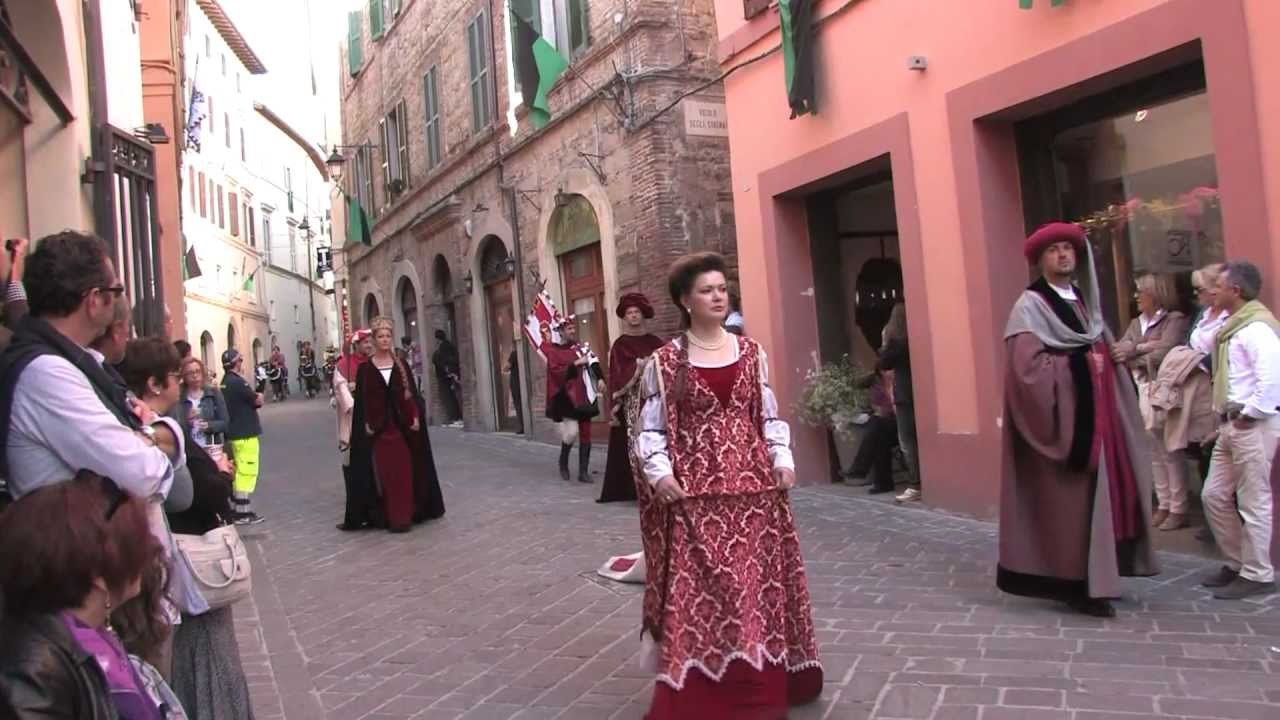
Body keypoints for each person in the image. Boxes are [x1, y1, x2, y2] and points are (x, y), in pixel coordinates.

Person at [634, 251, 822, 718]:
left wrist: (782, 459)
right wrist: (660, 474)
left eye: (722, 289)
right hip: (696, 498)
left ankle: (760, 687)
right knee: (706, 596)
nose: (718, 297)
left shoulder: (751, 353)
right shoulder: (665, 362)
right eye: (707, 290)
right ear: (685, 300)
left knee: (756, 593)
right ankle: (702, 691)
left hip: (755, 493)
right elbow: (649, 429)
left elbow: (769, 416)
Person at [998, 222, 1158, 618]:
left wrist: (1115, 353)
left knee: (1108, 495)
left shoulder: (1086, 302)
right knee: (1073, 503)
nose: (1064, 255)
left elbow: (1097, 347)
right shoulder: (1031, 306)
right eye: (1053, 250)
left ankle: (1103, 573)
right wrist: (1085, 365)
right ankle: (1077, 583)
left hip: (1101, 419)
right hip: (1068, 424)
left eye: (1068, 248)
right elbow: (1027, 372)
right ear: (1040, 260)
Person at [0, 230, 184, 503]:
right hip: (76, 543)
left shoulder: (82, 362)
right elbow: (146, 475)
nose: (120, 300)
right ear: (95, 300)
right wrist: (152, 434)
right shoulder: (48, 374)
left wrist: (142, 437)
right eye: (117, 291)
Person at [0, 471, 179, 719]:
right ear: (100, 576)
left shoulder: (81, 635)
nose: (151, 552)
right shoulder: (34, 676)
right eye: (136, 544)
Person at [1198, 260, 1280, 600]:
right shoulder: (1231, 327)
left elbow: (1272, 378)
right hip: (1231, 425)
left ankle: (1258, 573)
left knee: (1253, 499)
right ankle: (1237, 563)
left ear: (1236, 290)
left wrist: (1250, 415)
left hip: (1252, 424)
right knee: (1213, 495)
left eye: (1219, 284)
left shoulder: (1256, 328)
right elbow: (1200, 344)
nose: (1212, 289)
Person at [350, 317, 445, 532]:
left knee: (404, 470)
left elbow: (410, 395)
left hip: (401, 428)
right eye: (380, 336)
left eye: (387, 336)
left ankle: (406, 514)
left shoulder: (401, 365)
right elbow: (363, 402)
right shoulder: (366, 370)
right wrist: (367, 424)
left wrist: (414, 418)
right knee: (385, 473)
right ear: (374, 340)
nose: (384, 340)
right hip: (379, 429)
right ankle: (390, 515)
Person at [1112, 273, 1191, 531]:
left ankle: (1179, 507)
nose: (1135, 296)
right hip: (1141, 389)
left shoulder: (1174, 320)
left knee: (1170, 448)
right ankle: (1163, 503)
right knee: (1153, 449)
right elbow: (1117, 350)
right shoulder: (1136, 323)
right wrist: (1144, 347)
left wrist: (1135, 350)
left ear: (1155, 294)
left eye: (1140, 291)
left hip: (1164, 390)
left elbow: (1164, 352)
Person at [598, 292, 664, 503]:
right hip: (634, 402)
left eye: (636, 312)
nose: (634, 316)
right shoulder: (621, 345)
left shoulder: (655, 341)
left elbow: (666, 362)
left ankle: (659, 480)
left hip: (656, 399)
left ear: (643, 315)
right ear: (625, 317)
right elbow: (618, 373)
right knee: (637, 441)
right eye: (630, 313)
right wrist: (638, 366)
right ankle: (637, 486)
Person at [541, 316, 605, 483]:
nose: (572, 331)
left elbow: (593, 362)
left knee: (586, 433)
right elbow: (556, 372)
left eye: (573, 328)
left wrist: (600, 378)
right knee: (572, 432)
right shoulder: (554, 352)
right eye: (569, 329)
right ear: (561, 332)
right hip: (567, 397)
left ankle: (583, 472)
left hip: (584, 394)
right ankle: (563, 461)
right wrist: (575, 363)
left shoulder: (581, 347)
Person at [335, 329, 379, 531]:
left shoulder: (378, 362)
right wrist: (357, 407)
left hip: (376, 422)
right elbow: (342, 391)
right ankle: (357, 508)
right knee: (352, 465)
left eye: (372, 341)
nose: (369, 345)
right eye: (366, 342)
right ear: (358, 345)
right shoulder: (345, 365)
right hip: (353, 423)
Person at [879, 302, 919, 503]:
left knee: (907, 441)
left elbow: (883, 364)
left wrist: (886, 341)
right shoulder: (916, 339)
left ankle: (914, 485)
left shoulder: (896, 343)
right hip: (919, 393)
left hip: (904, 394)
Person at [220, 348, 265, 525]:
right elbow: (257, 400)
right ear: (235, 363)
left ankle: (237, 509)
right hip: (245, 433)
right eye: (240, 360)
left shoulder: (224, 382)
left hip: (234, 433)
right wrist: (260, 392)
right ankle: (243, 513)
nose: (242, 363)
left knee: (237, 471)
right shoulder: (238, 382)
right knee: (246, 472)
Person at [846, 369, 899, 495]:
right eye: (884, 370)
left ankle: (860, 469)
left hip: (902, 425)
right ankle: (883, 483)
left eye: (890, 369)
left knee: (876, 426)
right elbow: (855, 384)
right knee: (879, 438)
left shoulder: (902, 381)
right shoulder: (877, 383)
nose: (888, 372)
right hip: (885, 427)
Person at [178, 357, 230, 454]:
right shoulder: (179, 397)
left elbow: (225, 423)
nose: (195, 375)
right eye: (190, 373)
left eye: (197, 371)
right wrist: (187, 420)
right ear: (184, 376)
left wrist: (209, 426)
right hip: (190, 451)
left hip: (211, 448)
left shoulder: (213, 393)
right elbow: (175, 427)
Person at [432, 329, 463, 425]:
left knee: (450, 396)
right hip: (448, 374)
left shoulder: (444, 347)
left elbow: (444, 360)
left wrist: (449, 371)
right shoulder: (446, 345)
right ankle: (455, 417)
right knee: (451, 396)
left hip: (447, 375)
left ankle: (456, 417)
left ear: (437, 338)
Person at [506, 346, 524, 434]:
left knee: (518, 404)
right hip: (521, 381)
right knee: (522, 403)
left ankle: (521, 427)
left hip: (515, 382)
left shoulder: (514, 353)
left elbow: (507, 367)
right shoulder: (520, 352)